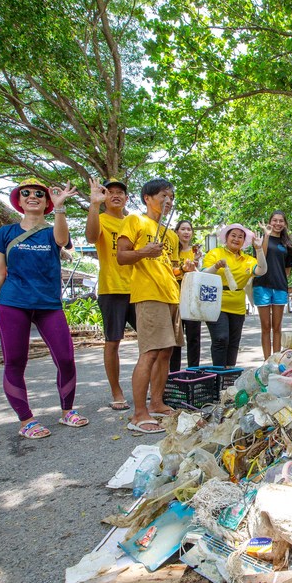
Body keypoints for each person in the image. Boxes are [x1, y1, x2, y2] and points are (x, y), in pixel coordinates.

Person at [0, 178, 87, 439]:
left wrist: (61, 207)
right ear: (18, 201)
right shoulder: (5, 233)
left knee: (65, 358)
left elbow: (62, 240)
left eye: (39, 193)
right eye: (26, 193)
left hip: (48, 304)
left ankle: (67, 411)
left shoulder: (52, 230)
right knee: (16, 361)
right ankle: (26, 419)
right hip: (13, 303)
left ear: (47, 201)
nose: (32, 196)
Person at [117, 179, 183, 434]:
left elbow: (171, 267)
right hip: (148, 294)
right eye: (164, 196)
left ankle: (157, 403)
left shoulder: (172, 234)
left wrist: (183, 269)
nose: (169, 201)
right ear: (148, 198)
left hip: (171, 295)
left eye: (171, 197)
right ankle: (139, 413)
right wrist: (144, 252)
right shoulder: (135, 221)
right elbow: (122, 256)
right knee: (151, 352)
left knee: (166, 352)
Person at [85, 177, 135, 411]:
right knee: (112, 342)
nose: (116, 195)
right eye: (110, 192)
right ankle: (116, 391)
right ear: (104, 197)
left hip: (139, 289)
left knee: (151, 342)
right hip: (111, 288)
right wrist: (94, 205)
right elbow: (91, 237)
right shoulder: (101, 219)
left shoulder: (134, 221)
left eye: (120, 192)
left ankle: (144, 387)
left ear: (126, 198)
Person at [203, 224, 267, 367]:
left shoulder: (248, 260)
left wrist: (259, 249)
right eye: (233, 235)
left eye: (240, 237)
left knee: (233, 343)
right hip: (215, 303)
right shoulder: (215, 253)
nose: (236, 239)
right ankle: (218, 374)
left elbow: (262, 270)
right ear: (226, 237)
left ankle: (228, 377)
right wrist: (216, 266)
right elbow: (203, 274)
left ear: (244, 241)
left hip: (237, 306)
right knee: (221, 338)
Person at [253, 211, 292, 358]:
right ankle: (266, 361)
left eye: (281, 221)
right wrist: (266, 234)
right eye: (275, 220)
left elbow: (287, 270)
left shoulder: (287, 244)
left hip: (280, 288)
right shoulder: (261, 239)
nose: (278, 223)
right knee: (265, 327)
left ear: (284, 224)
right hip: (261, 286)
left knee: (277, 327)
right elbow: (261, 257)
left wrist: (279, 279)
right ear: (270, 222)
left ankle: (276, 360)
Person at [169, 220, 203, 371]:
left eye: (189, 229)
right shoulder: (170, 251)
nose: (186, 232)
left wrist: (197, 263)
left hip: (191, 295)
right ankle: (174, 374)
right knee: (176, 337)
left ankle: (193, 371)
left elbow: (200, 274)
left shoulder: (196, 251)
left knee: (194, 337)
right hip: (174, 293)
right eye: (183, 229)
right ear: (176, 232)